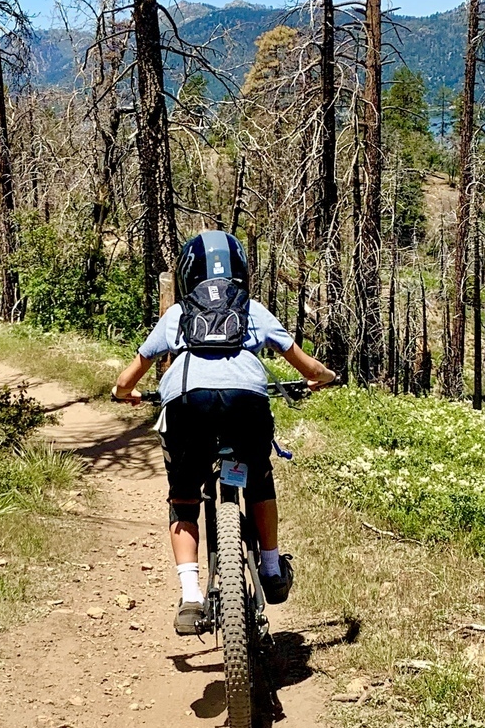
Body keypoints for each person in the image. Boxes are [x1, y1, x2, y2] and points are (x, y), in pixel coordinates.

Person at [112, 229, 335, 636]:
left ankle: (192, 597)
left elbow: (131, 374)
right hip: (245, 402)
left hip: (185, 403)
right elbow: (307, 366)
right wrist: (324, 377)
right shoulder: (252, 309)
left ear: (187, 274)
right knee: (260, 477)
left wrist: (123, 393)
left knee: (183, 496)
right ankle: (270, 568)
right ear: (242, 271)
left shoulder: (177, 314)